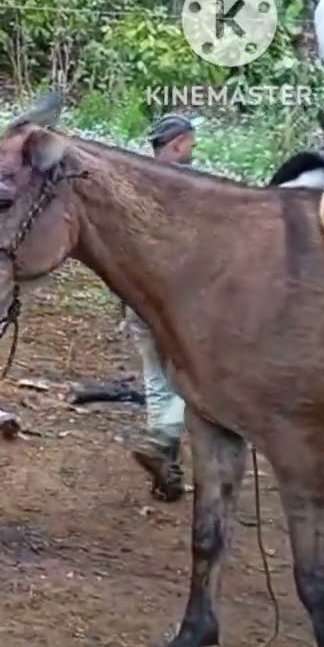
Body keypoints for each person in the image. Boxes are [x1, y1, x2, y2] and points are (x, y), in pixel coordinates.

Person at [125, 113, 197, 502]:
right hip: (178, 300)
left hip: (139, 296)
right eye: (191, 144)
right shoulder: (191, 186)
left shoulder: (133, 184)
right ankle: (161, 442)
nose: (192, 150)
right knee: (194, 380)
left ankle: (166, 472)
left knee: (157, 383)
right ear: (179, 143)